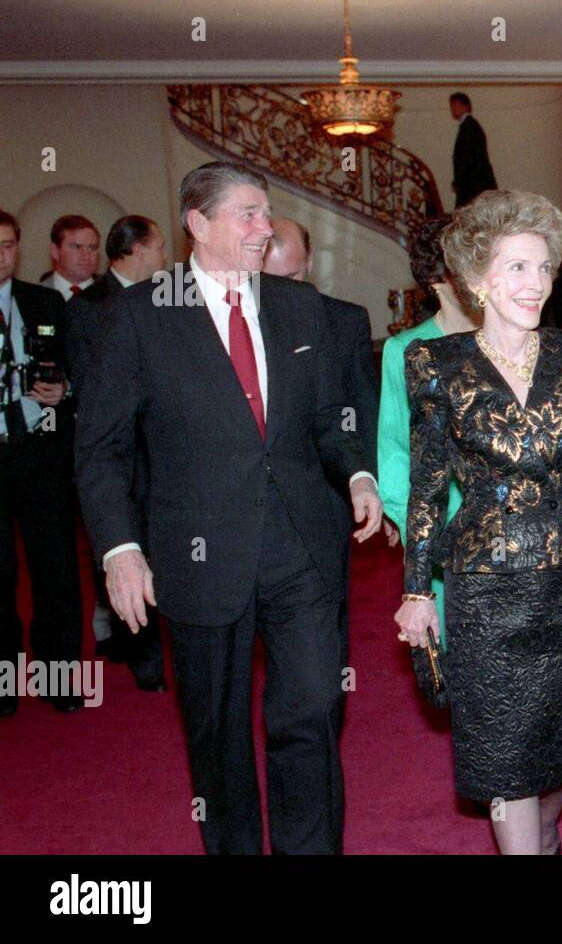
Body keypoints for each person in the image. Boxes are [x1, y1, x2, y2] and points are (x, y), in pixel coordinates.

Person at [76, 162, 383, 854]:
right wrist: (120, 549)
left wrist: (359, 473)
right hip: (198, 552)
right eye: (247, 213)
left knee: (312, 708)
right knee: (217, 732)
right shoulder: (137, 315)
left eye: (266, 214)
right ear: (197, 223)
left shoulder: (299, 306)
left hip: (302, 545)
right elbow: (101, 449)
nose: (264, 227)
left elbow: (333, 418)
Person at [396, 189, 562, 855]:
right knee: (502, 755)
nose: (535, 284)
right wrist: (417, 588)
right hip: (483, 589)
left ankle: (546, 828)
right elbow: (425, 483)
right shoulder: (434, 363)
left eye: (542, 267)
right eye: (517, 268)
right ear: (478, 280)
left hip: (561, 586)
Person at [262, 216, 379, 731]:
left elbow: (362, 407)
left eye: (293, 278)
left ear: (309, 262)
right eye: (273, 279)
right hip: (254, 494)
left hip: (327, 488)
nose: (284, 291)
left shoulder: (343, 319)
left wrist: (369, 478)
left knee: (325, 612)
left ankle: (325, 711)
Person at [66, 214, 167, 691]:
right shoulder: (91, 306)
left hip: (167, 451)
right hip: (122, 455)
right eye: (160, 246)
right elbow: (93, 392)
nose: (166, 256)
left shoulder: (166, 298)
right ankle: (143, 655)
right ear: (137, 249)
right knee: (129, 546)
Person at [377, 214, 478, 638]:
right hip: (446, 536)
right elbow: (397, 451)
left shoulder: (515, 338)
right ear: (438, 279)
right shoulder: (406, 351)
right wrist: (419, 538)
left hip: (519, 534)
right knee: (464, 670)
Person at [0, 209, 84, 716]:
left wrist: (64, 389)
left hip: (40, 453)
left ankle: (59, 679)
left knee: (56, 574)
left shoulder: (43, 301)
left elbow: (78, 368)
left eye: (9, 245)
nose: (2, 255)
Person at [449, 92, 497, 208]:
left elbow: (466, 157)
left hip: (473, 184)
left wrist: (458, 181)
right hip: (473, 183)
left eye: (455, 105)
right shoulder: (469, 126)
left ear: (465, 106)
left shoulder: (469, 127)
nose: (452, 109)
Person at [42, 215, 100, 301]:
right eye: (76, 247)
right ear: (55, 251)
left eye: (92, 247)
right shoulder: (33, 297)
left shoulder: (114, 297)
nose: (86, 256)